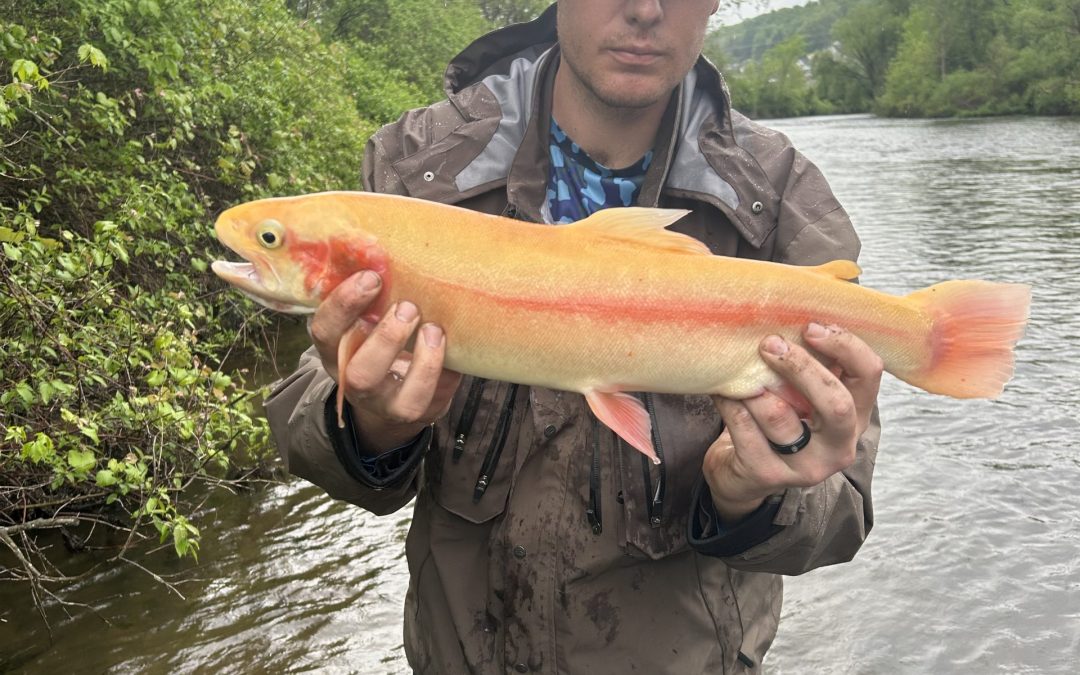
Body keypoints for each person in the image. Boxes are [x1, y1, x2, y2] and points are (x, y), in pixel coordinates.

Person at [266, 1, 883, 672]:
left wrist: (756, 494)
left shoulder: (783, 196)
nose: (645, 9)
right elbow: (308, 424)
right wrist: (370, 425)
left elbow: (841, 514)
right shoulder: (419, 163)